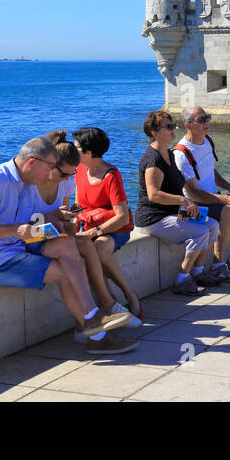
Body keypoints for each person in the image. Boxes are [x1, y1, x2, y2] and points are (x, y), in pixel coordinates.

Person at [0, 136, 135, 355]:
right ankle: (94, 327)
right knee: (64, 272)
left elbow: (27, 224)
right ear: (32, 162)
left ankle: (92, 321)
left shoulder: (27, 182)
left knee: (68, 246)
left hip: (15, 247)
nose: (48, 176)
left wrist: (54, 220)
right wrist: (16, 230)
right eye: (49, 168)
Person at [134, 110, 217, 294]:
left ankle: (198, 271)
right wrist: (183, 200)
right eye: (168, 127)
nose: (173, 130)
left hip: (172, 213)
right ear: (154, 132)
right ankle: (182, 279)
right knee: (200, 231)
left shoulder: (169, 154)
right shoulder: (153, 159)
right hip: (153, 218)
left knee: (212, 225)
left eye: (173, 126)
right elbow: (153, 194)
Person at [174, 107, 230, 278]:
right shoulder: (181, 154)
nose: (207, 123)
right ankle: (218, 265)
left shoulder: (207, 141)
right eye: (202, 120)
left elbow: (209, 170)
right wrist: (227, 199)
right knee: (228, 211)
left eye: (208, 118)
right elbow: (193, 193)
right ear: (188, 125)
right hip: (190, 208)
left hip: (211, 199)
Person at [69, 126, 145, 319]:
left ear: (88, 152)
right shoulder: (78, 171)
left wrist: (95, 232)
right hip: (90, 228)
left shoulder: (111, 175)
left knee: (100, 249)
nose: (72, 150)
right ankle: (111, 303)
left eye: (76, 147)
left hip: (114, 230)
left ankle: (130, 294)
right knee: (90, 252)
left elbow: (122, 217)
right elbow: (79, 206)